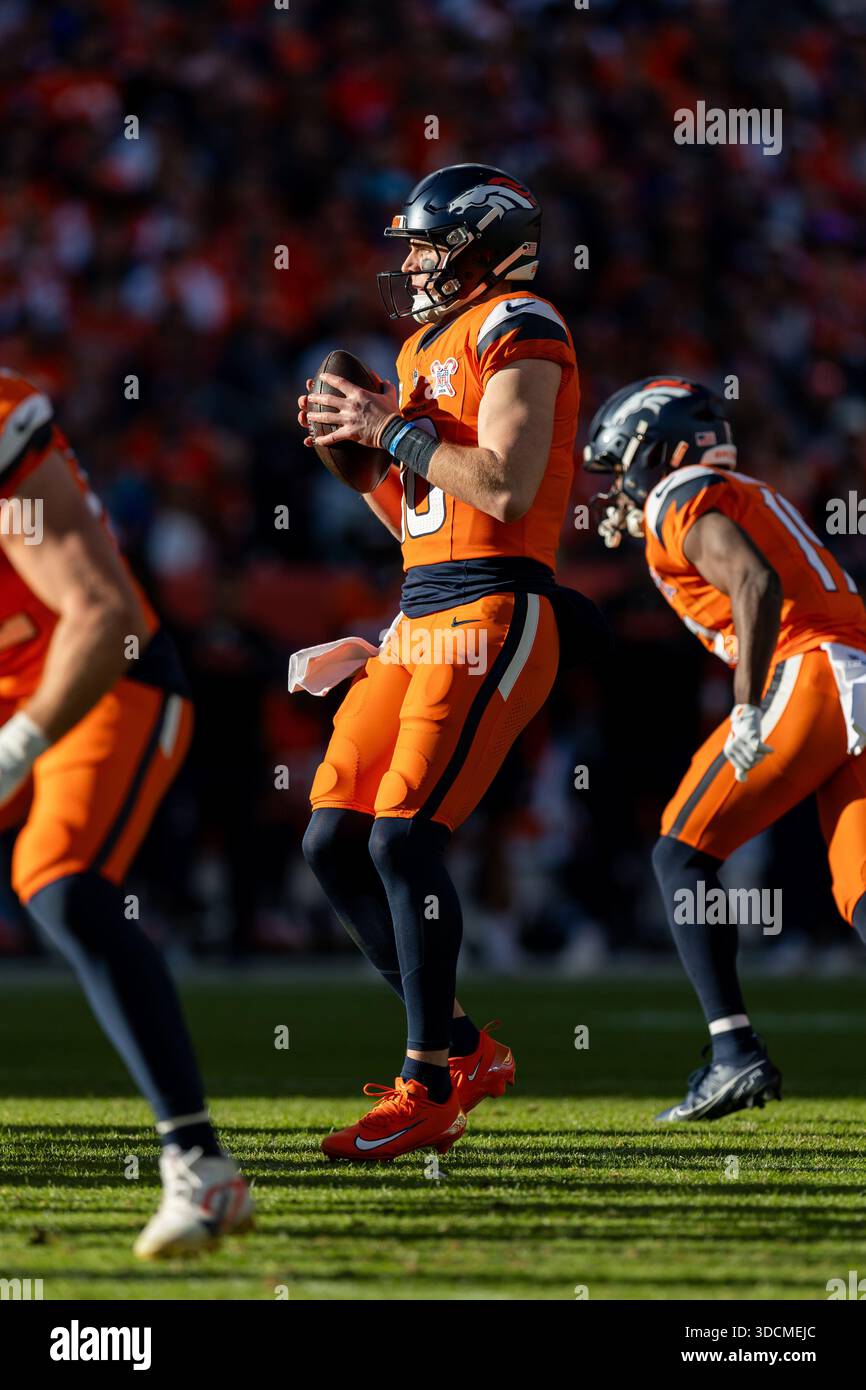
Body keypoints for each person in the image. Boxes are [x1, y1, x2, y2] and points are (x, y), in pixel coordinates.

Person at [297, 164, 585, 1160]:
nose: (411, 264)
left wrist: (387, 429)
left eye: (423, 246)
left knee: (400, 842)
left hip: (496, 607)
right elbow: (419, 515)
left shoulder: (523, 324)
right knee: (333, 840)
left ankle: (425, 1083)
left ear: (473, 247)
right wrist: (359, 456)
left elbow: (501, 490)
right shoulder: (421, 344)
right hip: (422, 611)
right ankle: (464, 1045)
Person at [0, 368, 252, 1253]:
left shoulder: (3, 426)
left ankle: (201, 1168)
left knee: (60, 882)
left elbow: (102, 617)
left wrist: (15, 749)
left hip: (102, 680)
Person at [584, 376, 866, 1120]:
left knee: (682, 850)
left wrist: (746, 706)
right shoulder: (743, 489)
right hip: (853, 672)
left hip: (811, 673)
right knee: (861, 891)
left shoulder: (681, 493)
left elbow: (755, 580)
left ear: (660, 449)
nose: (618, 487)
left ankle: (734, 1054)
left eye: (620, 466)